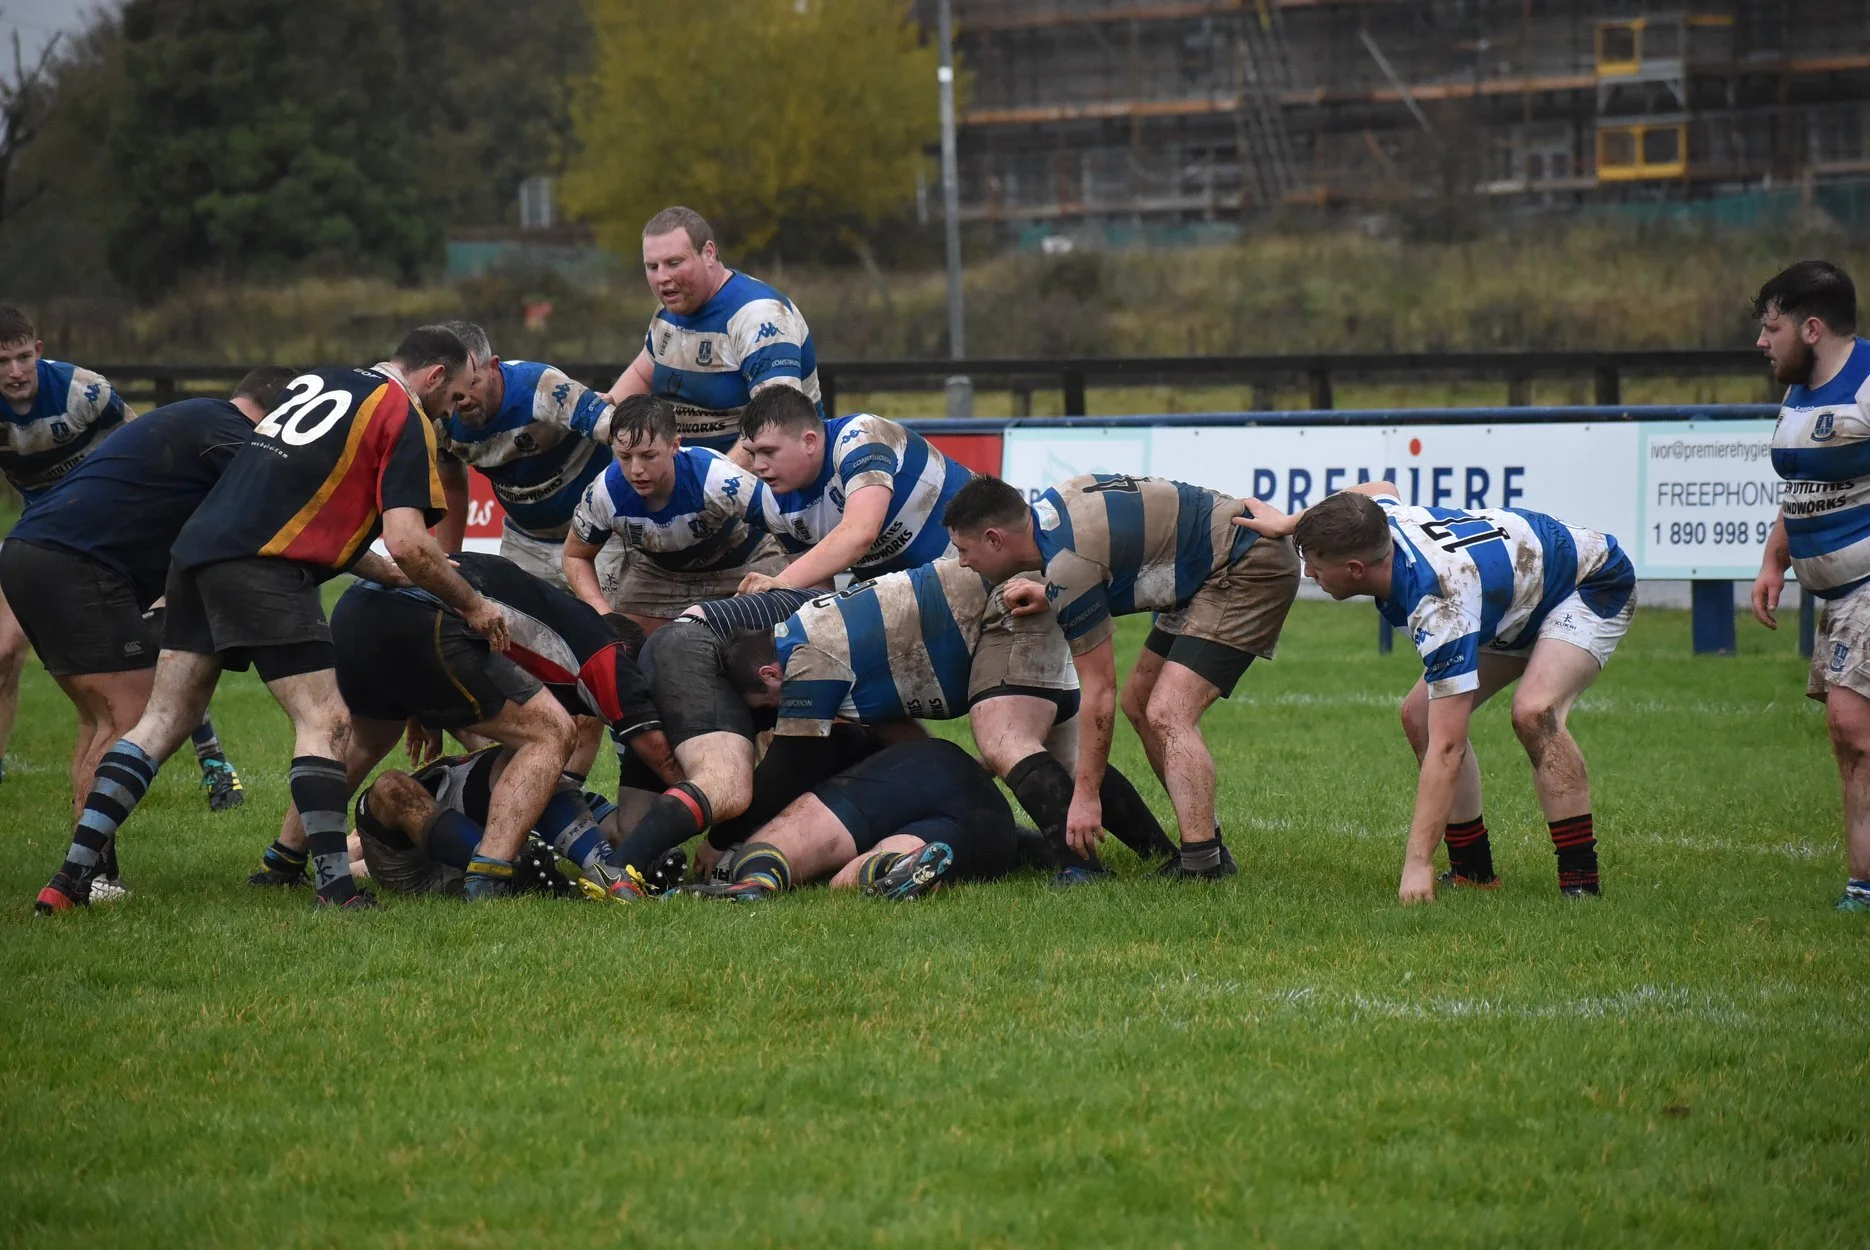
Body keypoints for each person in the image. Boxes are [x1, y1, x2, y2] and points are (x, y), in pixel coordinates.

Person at [34, 326, 507, 914]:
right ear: (433, 375)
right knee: (327, 721)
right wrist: (472, 603)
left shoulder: (319, 380)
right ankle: (335, 890)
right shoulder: (403, 412)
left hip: (197, 553)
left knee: (158, 723)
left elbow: (285, 494)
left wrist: (386, 573)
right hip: (265, 568)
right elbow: (409, 541)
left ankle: (70, 878)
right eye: (455, 393)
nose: (454, 407)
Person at [611, 562, 1175, 884]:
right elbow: (902, 744)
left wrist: (727, 835)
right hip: (1005, 611)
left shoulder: (808, 653)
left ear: (771, 674)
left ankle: (1085, 869)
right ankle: (1164, 857)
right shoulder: (828, 646)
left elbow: (793, 760)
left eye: (765, 704)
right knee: (1059, 765)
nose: (770, 716)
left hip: (1005, 614)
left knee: (1009, 744)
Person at [1236, 482, 1634, 903]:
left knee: (1534, 712)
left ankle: (1580, 884)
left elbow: (1448, 749)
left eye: (1315, 564)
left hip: (1588, 582)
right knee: (1420, 715)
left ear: (1355, 569)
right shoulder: (1379, 522)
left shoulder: (1440, 604)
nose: (1308, 574)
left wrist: (1417, 861)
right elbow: (1379, 488)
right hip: (1513, 594)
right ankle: (1472, 871)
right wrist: (1286, 523)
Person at [943, 473, 1301, 880]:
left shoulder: (1068, 567)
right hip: (1212, 566)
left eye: (964, 550)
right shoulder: (1055, 513)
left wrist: (1086, 795)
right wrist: (1051, 593)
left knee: (1168, 712)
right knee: (1141, 702)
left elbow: (1099, 691)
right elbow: (1121, 550)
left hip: (1246, 565)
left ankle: (1203, 865)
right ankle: (1209, 850)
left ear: (994, 539)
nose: (963, 562)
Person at [1, 367, 295, 848]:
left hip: (27, 551)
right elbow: (280, 519)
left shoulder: (199, 417)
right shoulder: (232, 434)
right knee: (128, 715)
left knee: (99, 717)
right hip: (73, 565)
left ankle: (89, 860)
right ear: (280, 414)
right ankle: (91, 870)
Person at [1748, 260, 1870, 912]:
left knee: (1852, 726)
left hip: (1868, 589)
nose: (1763, 342)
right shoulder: (1799, 393)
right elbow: (1800, 489)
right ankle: (1863, 883)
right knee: (1848, 737)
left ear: (1813, 328)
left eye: (1773, 328)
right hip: (1836, 597)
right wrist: (1776, 562)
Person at [0, 306, 144, 789]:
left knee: (147, 649)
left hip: (108, 531)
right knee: (3, 652)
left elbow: (143, 446)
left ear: (38, 351)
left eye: (23, 357)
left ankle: (212, 758)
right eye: (2, 362)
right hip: (39, 535)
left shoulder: (86, 391)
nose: (15, 372)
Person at [605, 206, 821, 455]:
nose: (662, 276)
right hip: (687, 479)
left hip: (767, 484)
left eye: (673, 263)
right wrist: (600, 416)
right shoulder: (667, 316)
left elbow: (774, 423)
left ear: (709, 253)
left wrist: (713, 485)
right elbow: (643, 376)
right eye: (652, 267)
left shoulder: (760, 315)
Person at [692, 738, 1020, 901]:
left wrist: (719, 838)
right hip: (988, 816)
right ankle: (891, 866)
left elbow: (786, 768)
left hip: (909, 775)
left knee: (777, 841)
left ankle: (756, 882)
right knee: (893, 856)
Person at [561, 393, 783, 633]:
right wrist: (602, 613)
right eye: (624, 457)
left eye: (648, 456)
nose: (636, 469)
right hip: (664, 575)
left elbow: (787, 522)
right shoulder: (604, 494)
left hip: (744, 562)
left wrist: (785, 580)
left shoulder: (717, 479)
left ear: (674, 445)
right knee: (623, 636)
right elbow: (575, 556)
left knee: (768, 635)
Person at [429, 322, 622, 589]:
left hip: (597, 540)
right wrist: (447, 570)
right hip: (524, 542)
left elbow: (622, 434)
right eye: (452, 388)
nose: (462, 398)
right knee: (509, 628)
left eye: (473, 383)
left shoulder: (543, 388)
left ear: (493, 367)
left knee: (612, 627)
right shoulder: (440, 416)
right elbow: (450, 483)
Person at [736, 387, 973, 590]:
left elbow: (860, 532)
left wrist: (783, 580)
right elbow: (815, 591)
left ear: (809, 441)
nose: (758, 466)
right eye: (751, 454)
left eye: (768, 452)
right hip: (899, 589)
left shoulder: (860, 437)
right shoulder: (772, 500)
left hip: (974, 563)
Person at [349, 746, 580, 899]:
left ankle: (602, 870)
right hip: (408, 850)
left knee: (534, 758)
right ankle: (514, 872)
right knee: (390, 786)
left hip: (471, 833)